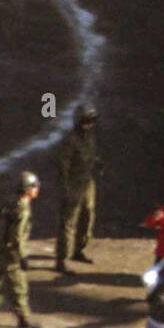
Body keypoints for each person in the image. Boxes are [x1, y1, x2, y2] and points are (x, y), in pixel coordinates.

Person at [0, 171, 41, 328]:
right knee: (18, 287)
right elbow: (17, 236)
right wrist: (22, 256)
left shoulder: (12, 201)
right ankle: (24, 320)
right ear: (27, 189)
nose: (37, 189)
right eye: (34, 186)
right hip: (10, 252)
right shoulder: (23, 209)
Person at [55, 104, 101, 275]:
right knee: (68, 222)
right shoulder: (70, 140)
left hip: (87, 182)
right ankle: (62, 259)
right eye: (86, 121)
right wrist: (65, 188)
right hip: (73, 183)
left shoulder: (90, 137)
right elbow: (62, 166)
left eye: (91, 121)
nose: (89, 124)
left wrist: (97, 162)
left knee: (88, 215)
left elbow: (90, 154)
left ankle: (78, 250)